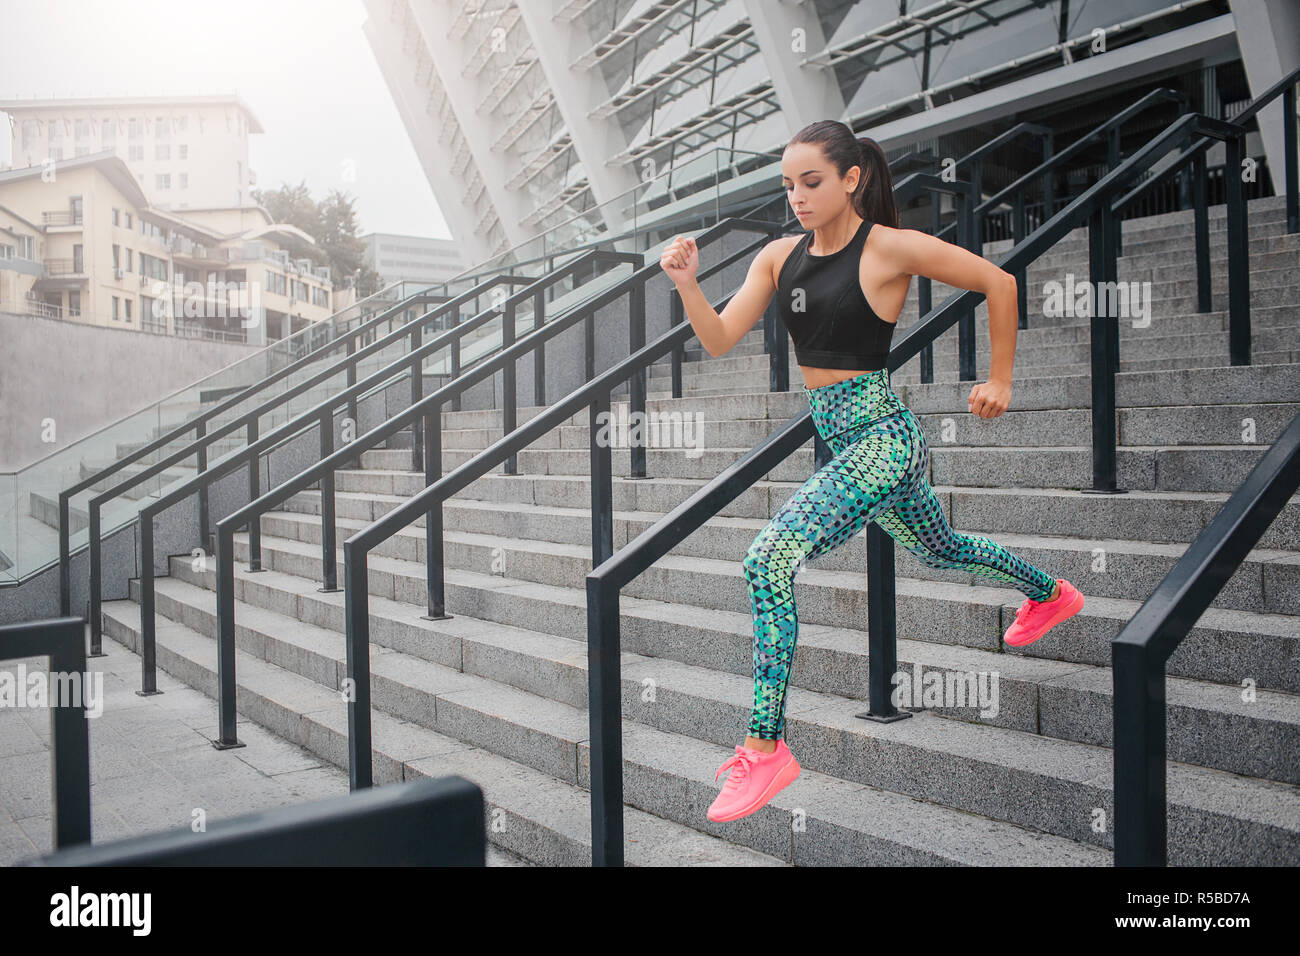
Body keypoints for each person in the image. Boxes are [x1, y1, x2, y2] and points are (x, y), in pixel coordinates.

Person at [659, 120, 1085, 824]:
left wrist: (1001, 380)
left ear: (851, 178)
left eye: (812, 182)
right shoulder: (777, 258)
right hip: (847, 442)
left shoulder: (889, 247)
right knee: (942, 549)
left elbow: (998, 281)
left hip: (885, 441)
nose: (797, 196)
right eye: (788, 185)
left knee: (768, 558)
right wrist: (687, 284)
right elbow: (719, 337)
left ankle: (764, 748)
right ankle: (1051, 593)